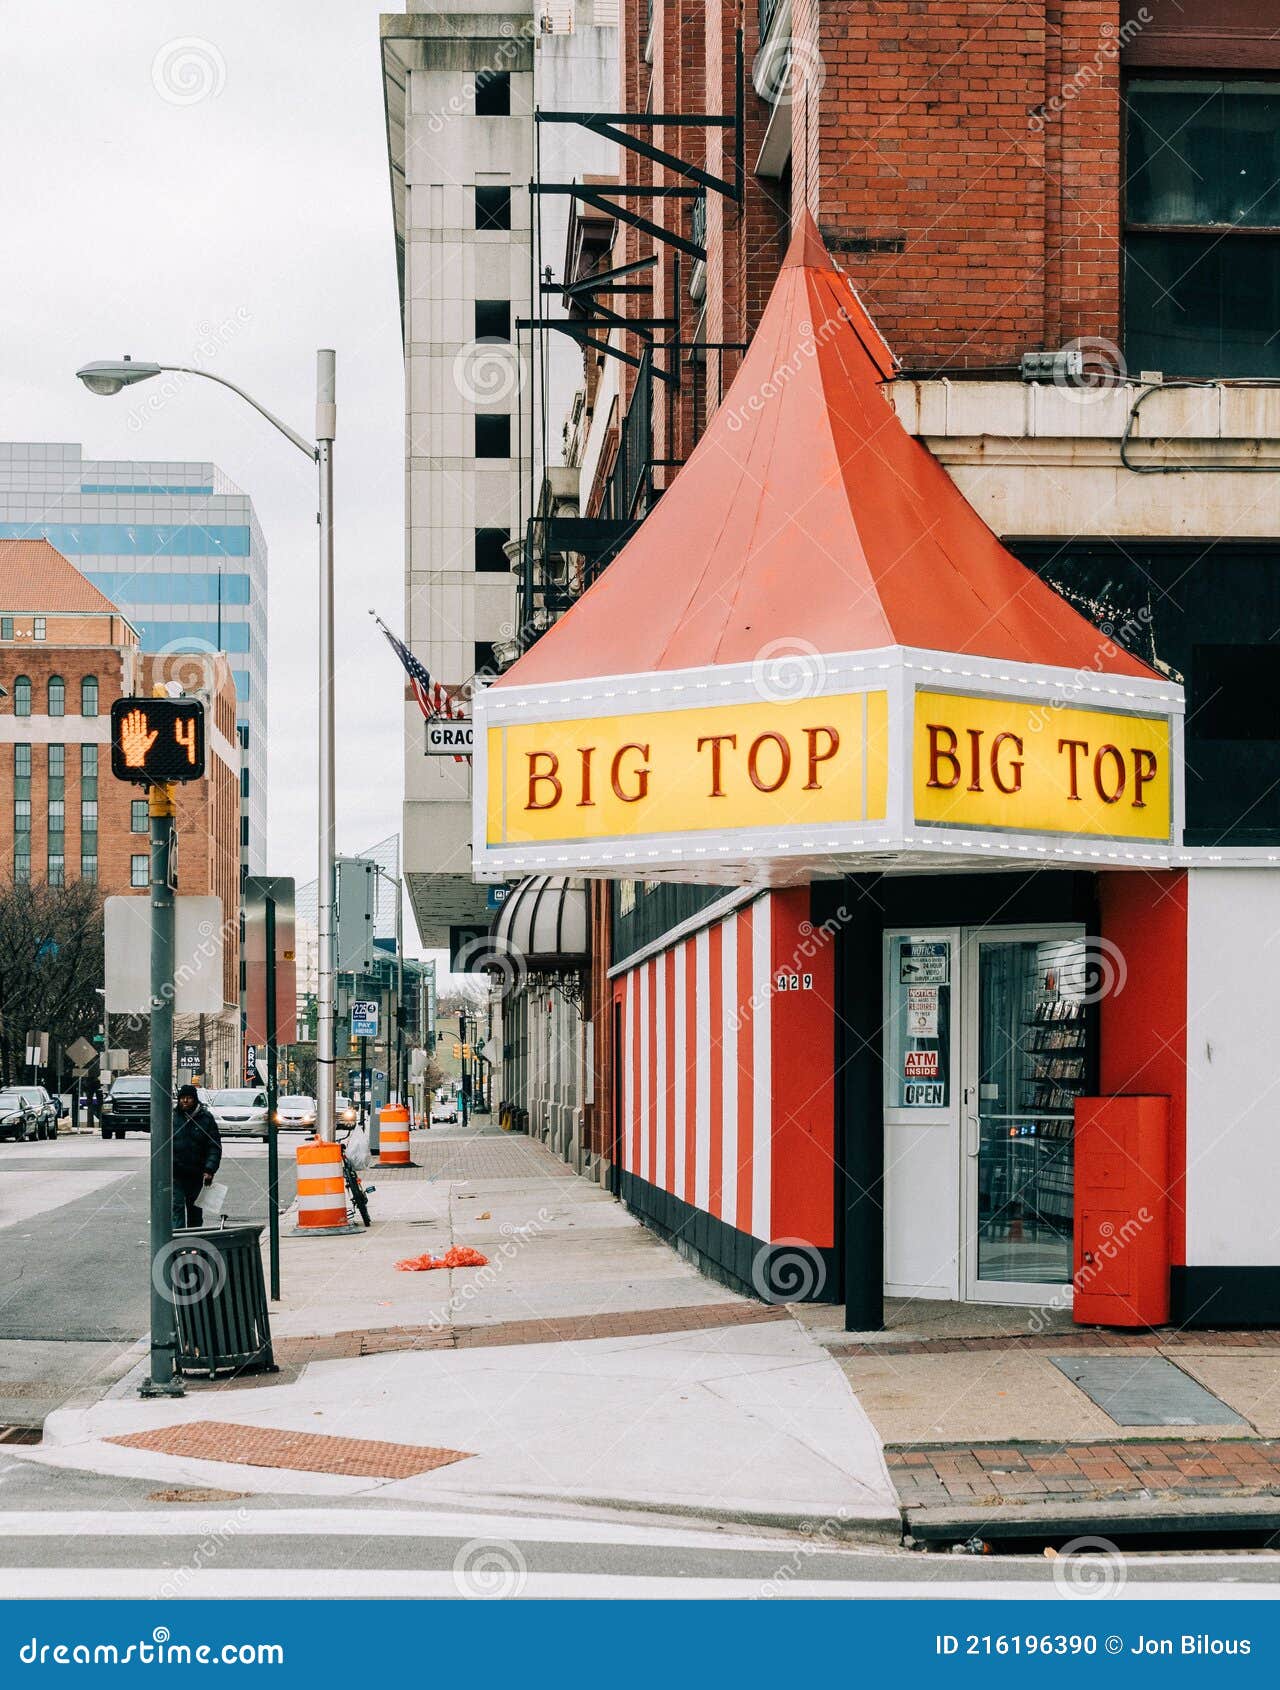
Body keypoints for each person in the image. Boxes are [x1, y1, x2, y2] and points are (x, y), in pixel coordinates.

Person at [172, 1084, 222, 1228]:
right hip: (176, 1172)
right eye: (182, 1098)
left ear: (195, 1100)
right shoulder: (173, 1117)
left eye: (188, 1098)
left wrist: (209, 1169)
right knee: (177, 1207)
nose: (185, 1101)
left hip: (197, 1173)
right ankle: (179, 1241)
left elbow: (214, 1146)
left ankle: (194, 1240)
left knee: (195, 1210)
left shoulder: (205, 1118)